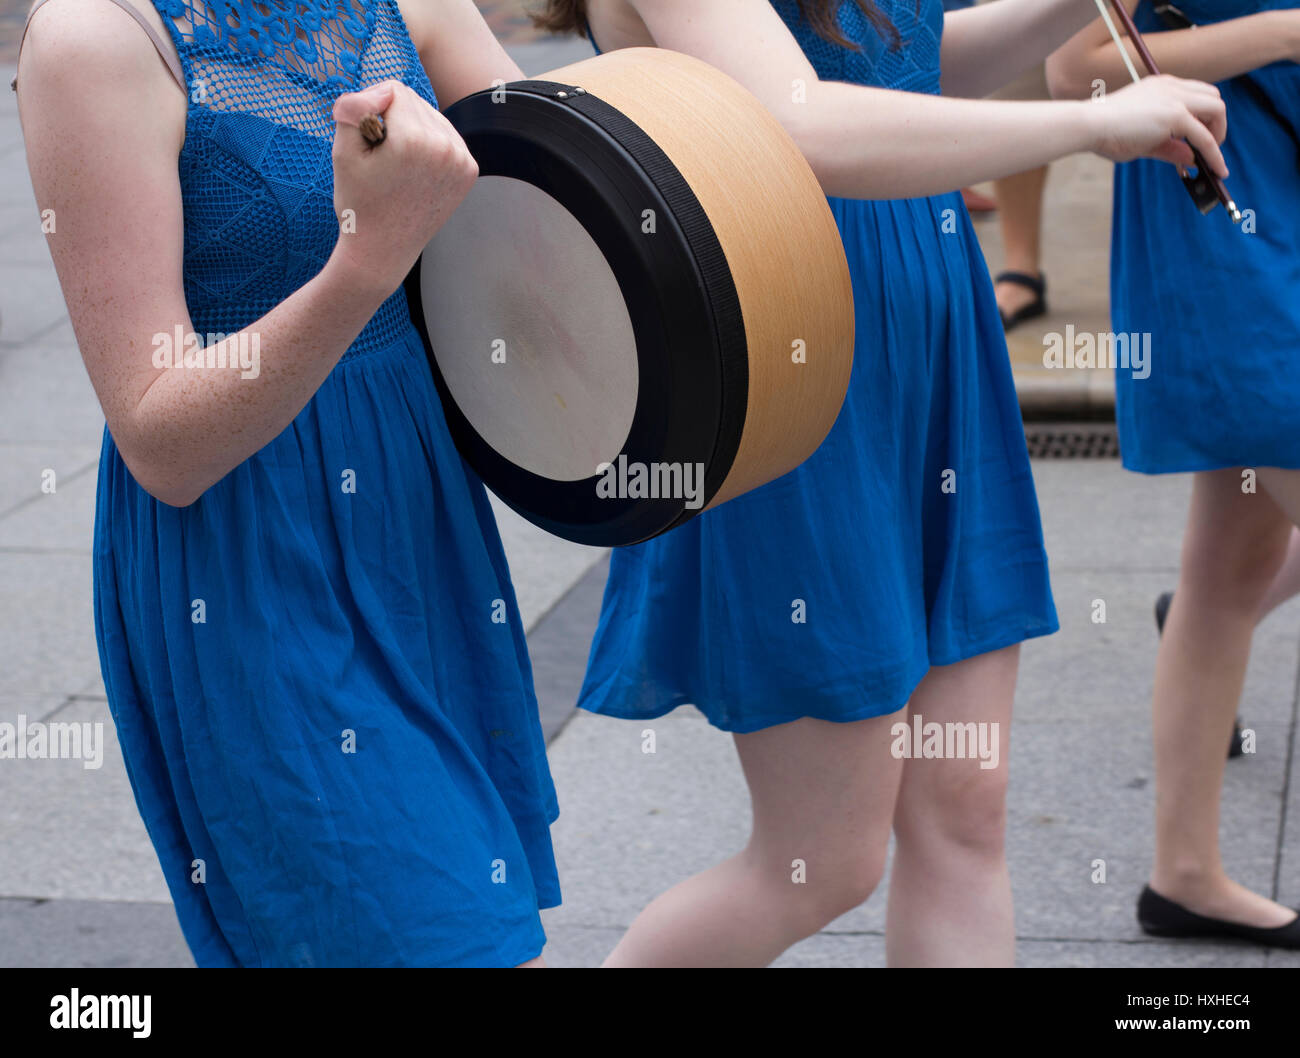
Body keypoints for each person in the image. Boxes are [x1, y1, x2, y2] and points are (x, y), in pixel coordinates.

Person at [536, 0, 1229, 966]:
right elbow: (800, 117)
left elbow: (904, 57)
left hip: (929, 339)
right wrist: (1086, 123)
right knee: (819, 860)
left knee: (965, 813)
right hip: (792, 357)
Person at [13, 0, 562, 967]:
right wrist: (369, 257)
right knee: (422, 936)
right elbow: (158, 435)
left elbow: (572, 172)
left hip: (416, 535)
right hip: (252, 558)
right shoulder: (96, 38)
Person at [1050, 0, 1300, 948]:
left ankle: (1186, 874)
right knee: (1226, 573)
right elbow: (1077, 70)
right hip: (1231, 219)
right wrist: (1286, 33)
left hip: (1268, 207)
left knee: (1227, 575)